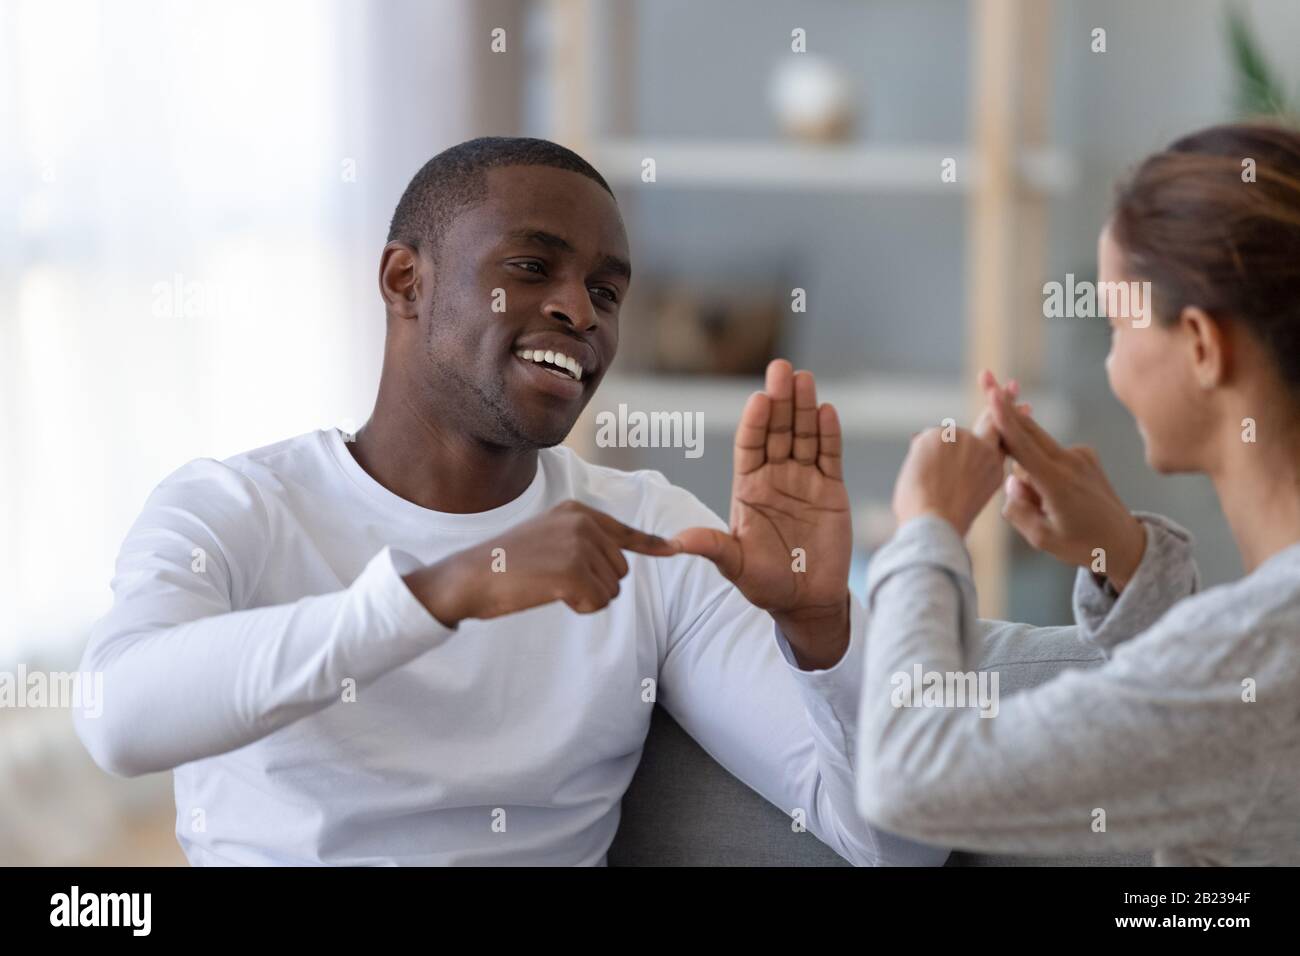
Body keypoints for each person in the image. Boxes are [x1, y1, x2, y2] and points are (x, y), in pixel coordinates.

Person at [75, 136, 942, 866]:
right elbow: (119, 720)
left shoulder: (654, 533)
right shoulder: (233, 508)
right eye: (532, 268)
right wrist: (444, 591)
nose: (580, 311)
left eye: (607, 292)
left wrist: (824, 624)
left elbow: (892, 840)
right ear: (405, 280)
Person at [856, 122, 1300, 865]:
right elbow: (1215, 735)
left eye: (1117, 327)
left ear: (1200, 345)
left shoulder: (1265, 644)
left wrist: (927, 530)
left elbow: (909, 779)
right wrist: (1125, 557)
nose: (1112, 366)